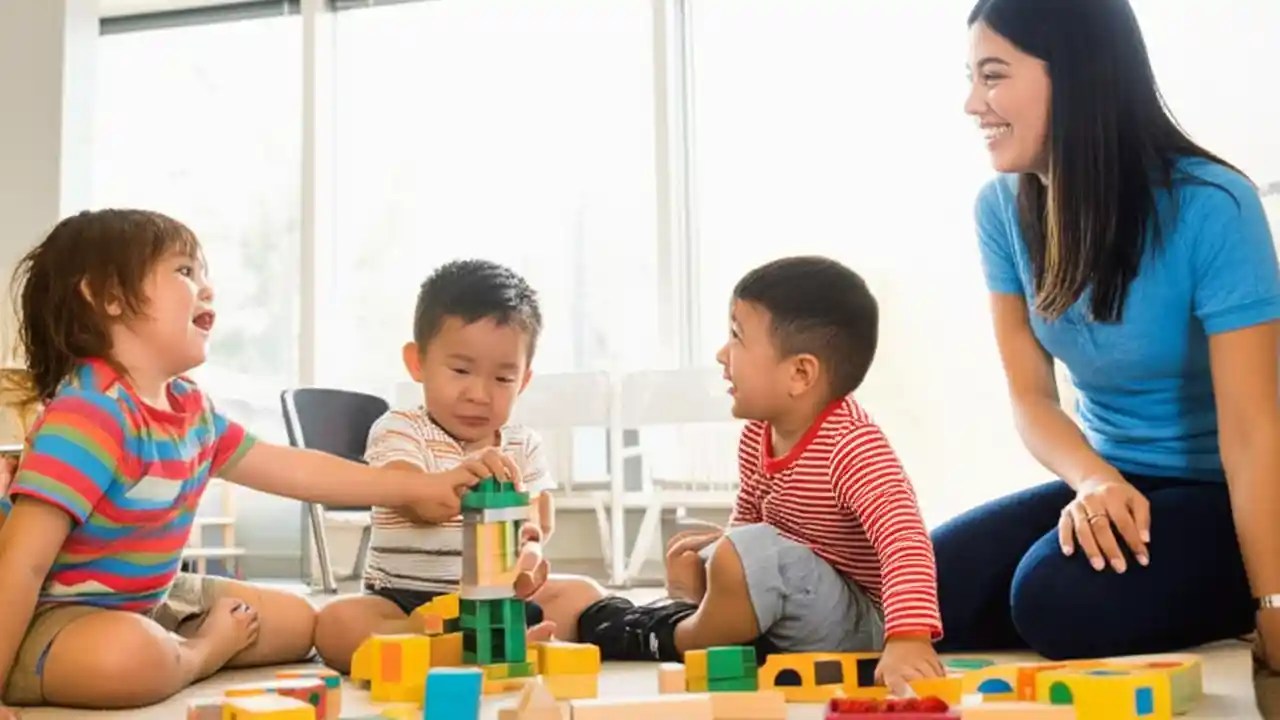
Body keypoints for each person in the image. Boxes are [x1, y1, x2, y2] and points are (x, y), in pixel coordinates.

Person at [0, 210, 500, 716]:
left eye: (204, 272)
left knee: (299, 622)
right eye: (184, 272)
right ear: (107, 296)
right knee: (129, 657)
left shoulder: (191, 411)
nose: (207, 288)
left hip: (149, 600)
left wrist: (417, 487)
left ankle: (175, 646)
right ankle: (196, 654)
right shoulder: (88, 414)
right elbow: (22, 562)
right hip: (48, 618)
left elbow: (296, 469)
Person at [934, 0, 1280, 665]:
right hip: (1118, 481)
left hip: (1230, 490)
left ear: (1076, 75)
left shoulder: (1214, 206)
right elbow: (1031, 399)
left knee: (1053, 602)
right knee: (926, 594)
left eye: (994, 75)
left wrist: (1274, 605)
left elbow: (1251, 429)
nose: (973, 103)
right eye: (972, 77)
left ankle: (1231, 588)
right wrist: (1092, 480)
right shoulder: (1001, 210)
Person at [578, 256, 945, 694]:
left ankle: (674, 636)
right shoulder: (758, 434)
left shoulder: (852, 446)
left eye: (736, 337)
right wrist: (714, 560)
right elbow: (750, 522)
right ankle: (706, 620)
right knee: (713, 551)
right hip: (799, 603)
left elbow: (905, 540)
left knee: (745, 553)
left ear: (799, 373)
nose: (721, 354)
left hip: (859, 625)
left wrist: (908, 639)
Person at [313, 259, 606, 673]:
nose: (479, 394)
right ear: (417, 362)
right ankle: (460, 648)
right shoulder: (400, 429)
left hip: (497, 601)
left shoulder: (522, 443)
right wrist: (465, 481)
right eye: (461, 370)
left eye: (503, 379)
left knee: (585, 594)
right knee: (335, 625)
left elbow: (540, 516)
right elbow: (419, 501)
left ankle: (476, 646)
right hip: (404, 601)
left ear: (523, 381)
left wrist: (530, 550)